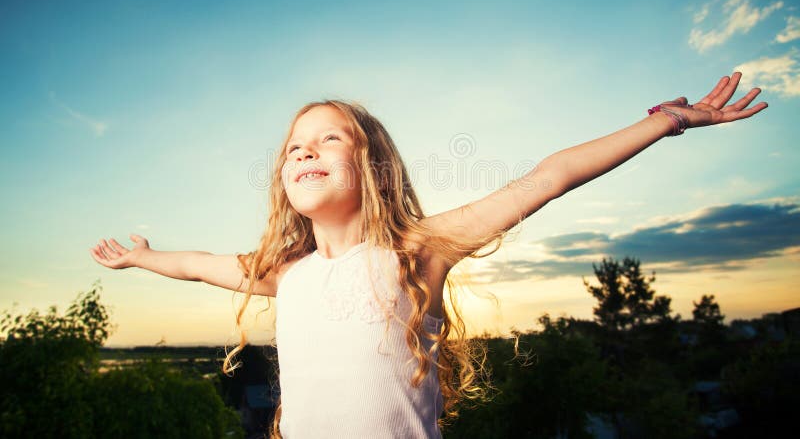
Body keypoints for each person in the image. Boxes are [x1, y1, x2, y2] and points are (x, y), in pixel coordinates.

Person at [90, 71, 767, 438]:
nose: (304, 149)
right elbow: (201, 264)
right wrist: (145, 256)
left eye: (329, 140)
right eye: (296, 145)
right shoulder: (285, 275)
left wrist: (668, 120)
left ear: (374, 166)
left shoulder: (418, 250)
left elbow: (548, 177)